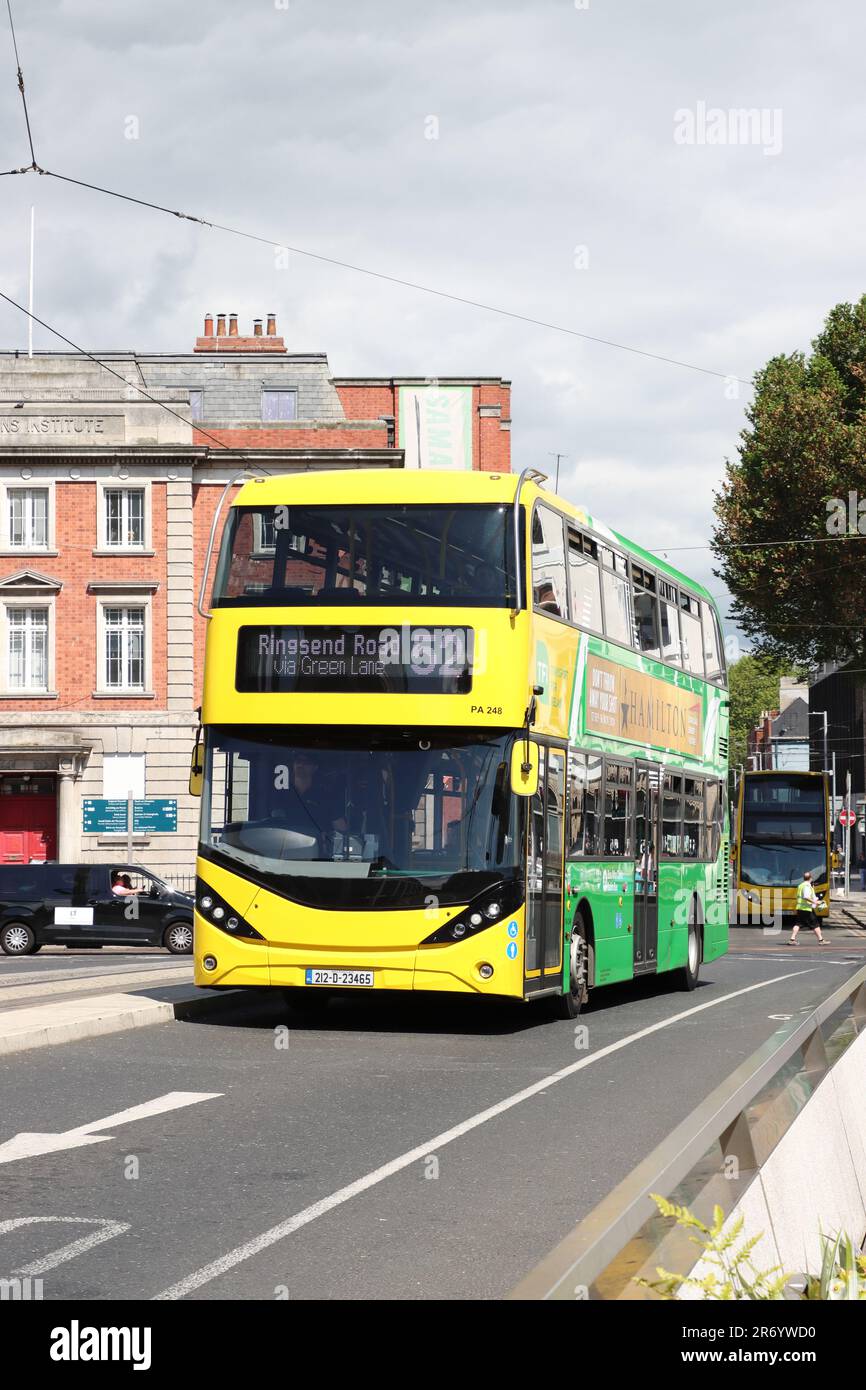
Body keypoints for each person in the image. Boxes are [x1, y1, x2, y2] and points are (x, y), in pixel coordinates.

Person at [788, 870, 827, 945]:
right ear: (811, 878)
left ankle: (792, 939)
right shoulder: (807, 886)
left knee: (798, 924)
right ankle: (821, 940)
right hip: (807, 909)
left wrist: (817, 900)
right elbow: (806, 897)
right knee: (815, 924)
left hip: (800, 907)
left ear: (804, 878)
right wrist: (815, 902)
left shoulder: (801, 885)